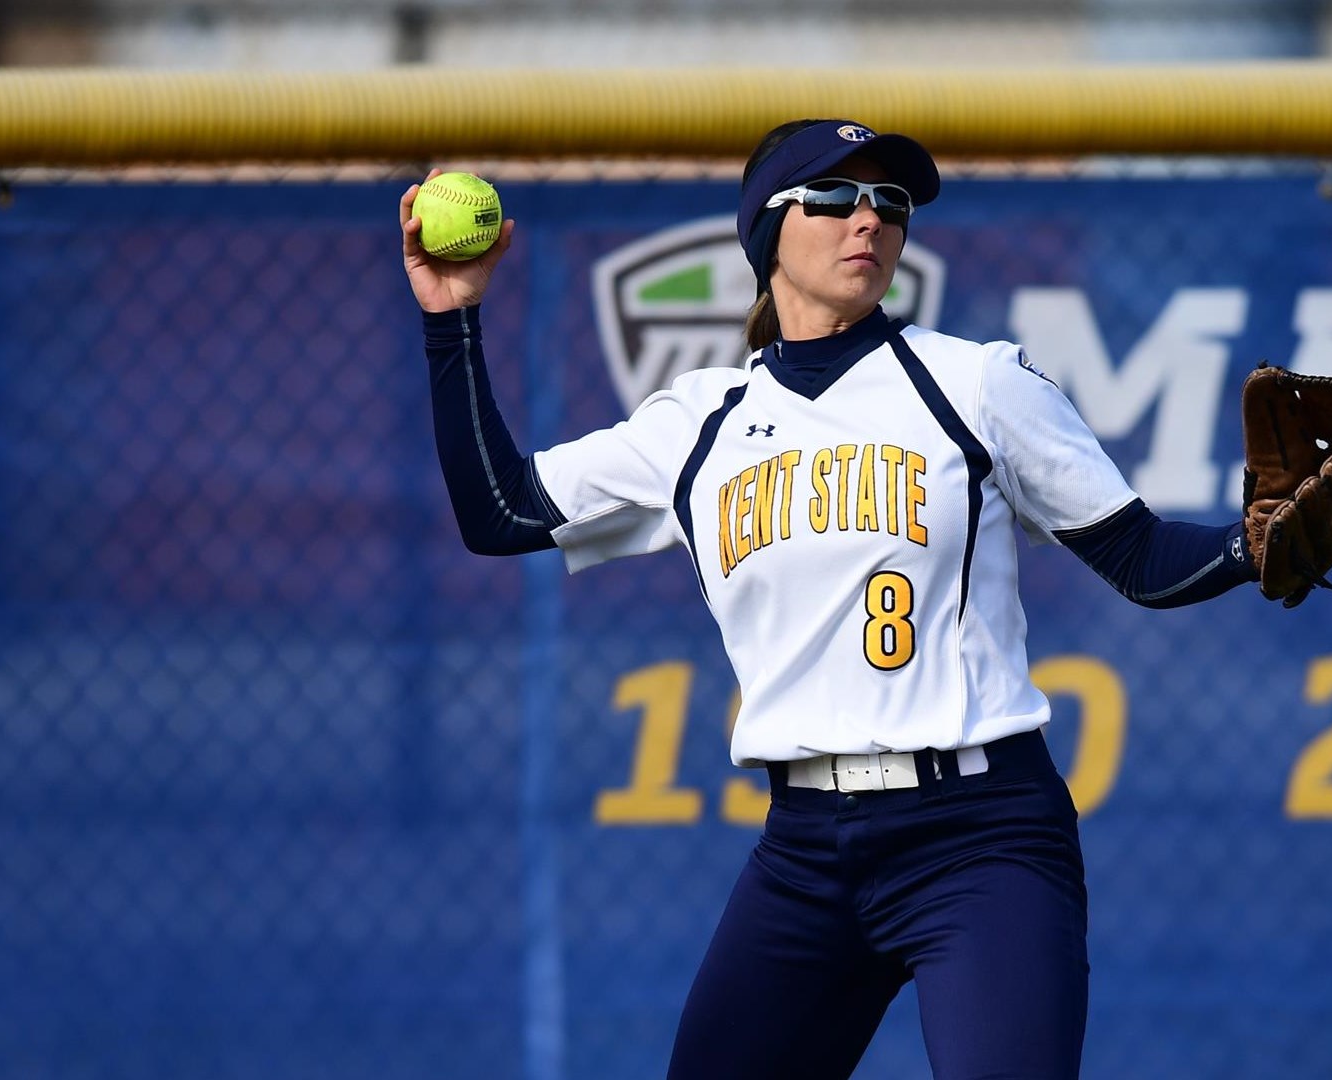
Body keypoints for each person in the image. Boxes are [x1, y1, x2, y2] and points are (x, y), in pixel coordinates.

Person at [400, 118, 1258, 1080]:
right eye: (837, 198)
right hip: (805, 850)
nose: (871, 221)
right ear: (769, 233)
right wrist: (452, 316)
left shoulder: (977, 383)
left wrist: (1253, 545)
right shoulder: (701, 421)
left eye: (890, 204)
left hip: (979, 839)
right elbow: (501, 508)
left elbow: (1140, 558)